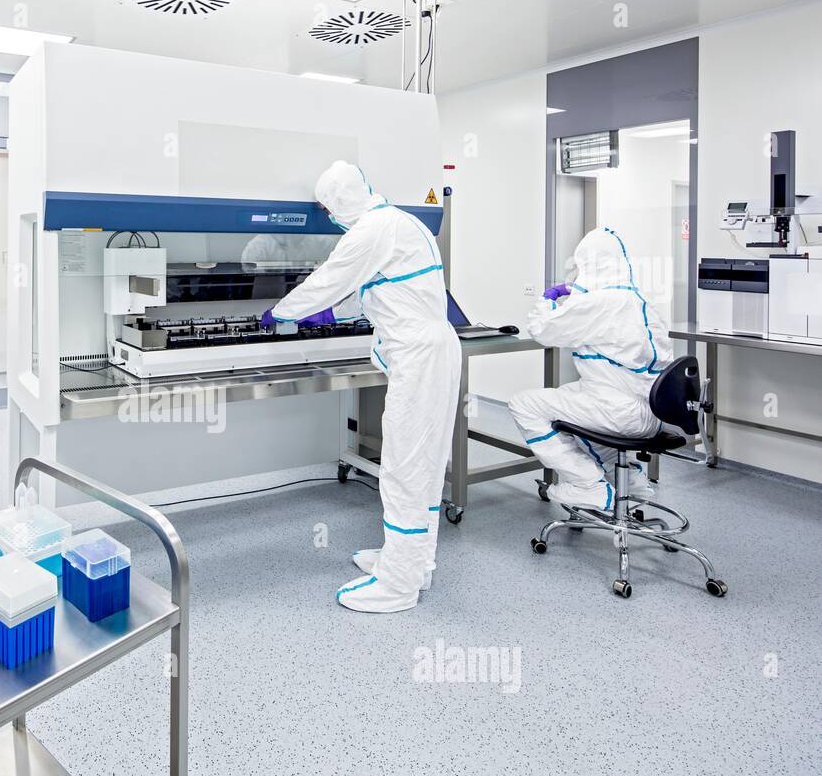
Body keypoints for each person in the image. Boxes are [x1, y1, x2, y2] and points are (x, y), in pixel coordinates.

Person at [262, 161, 461, 613]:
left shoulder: (370, 231)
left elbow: (330, 279)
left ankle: (399, 585)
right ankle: (411, 562)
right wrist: (332, 315)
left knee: (405, 466)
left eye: (329, 208)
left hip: (420, 356)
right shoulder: (401, 222)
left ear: (338, 205)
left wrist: (285, 311)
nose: (329, 217)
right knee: (422, 464)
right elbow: (381, 288)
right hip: (432, 348)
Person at [509, 227, 674, 509]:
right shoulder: (639, 299)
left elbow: (543, 330)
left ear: (587, 265)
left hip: (620, 414)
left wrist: (548, 298)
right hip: (654, 413)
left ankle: (587, 486)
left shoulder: (598, 302)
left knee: (524, 404)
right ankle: (633, 484)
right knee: (572, 398)